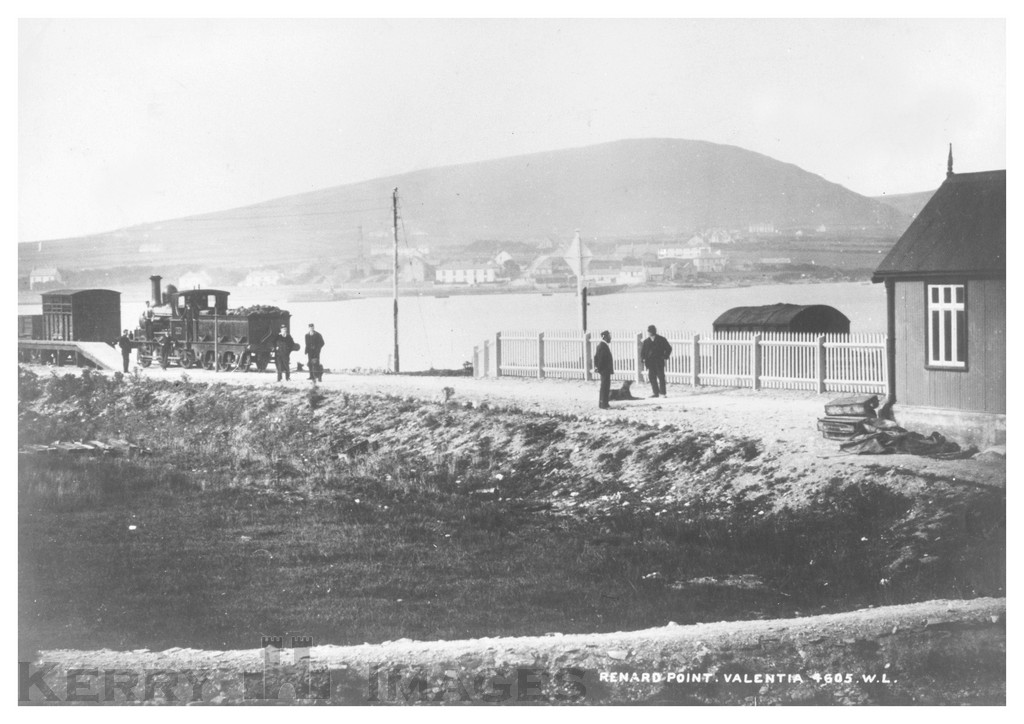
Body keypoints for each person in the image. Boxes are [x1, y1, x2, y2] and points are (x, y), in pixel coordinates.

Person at [641, 324, 672, 398]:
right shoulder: (646, 341)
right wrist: (643, 358)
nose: (650, 332)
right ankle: (655, 393)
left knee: (661, 376)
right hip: (650, 362)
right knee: (652, 377)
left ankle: (663, 393)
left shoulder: (661, 339)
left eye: (651, 331)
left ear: (654, 331)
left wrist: (665, 356)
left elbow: (669, 348)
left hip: (659, 361)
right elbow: (643, 352)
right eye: (649, 331)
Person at [593, 330, 614, 409]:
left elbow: (595, 357)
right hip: (605, 370)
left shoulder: (602, 345)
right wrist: (599, 368)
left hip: (604, 370)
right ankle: (604, 404)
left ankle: (603, 403)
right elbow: (601, 359)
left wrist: (597, 367)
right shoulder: (603, 346)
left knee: (605, 386)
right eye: (609, 336)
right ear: (605, 337)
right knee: (605, 387)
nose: (610, 338)